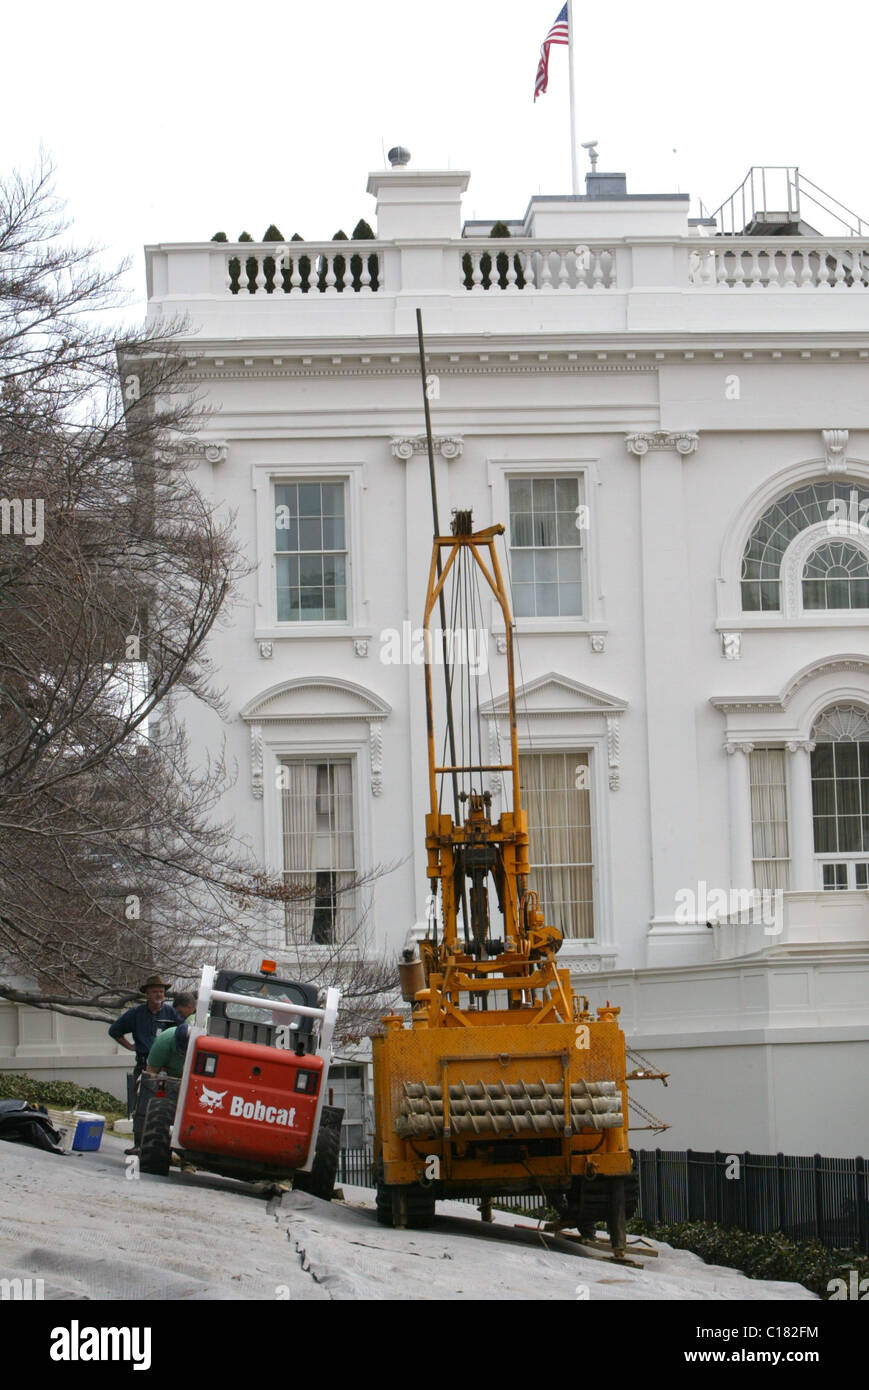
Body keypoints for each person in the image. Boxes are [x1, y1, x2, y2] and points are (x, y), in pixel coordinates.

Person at [108, 974, 180, 1080]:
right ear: (147, 993)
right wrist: (130, 1046)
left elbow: (183, 1033)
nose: (158, 994)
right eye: (155, 992)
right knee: (140, 1094)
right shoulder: (136, 1013)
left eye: (161, 991)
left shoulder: (171, 1013)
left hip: (166, 1068)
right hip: (143, 1065)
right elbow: (114, 1031)